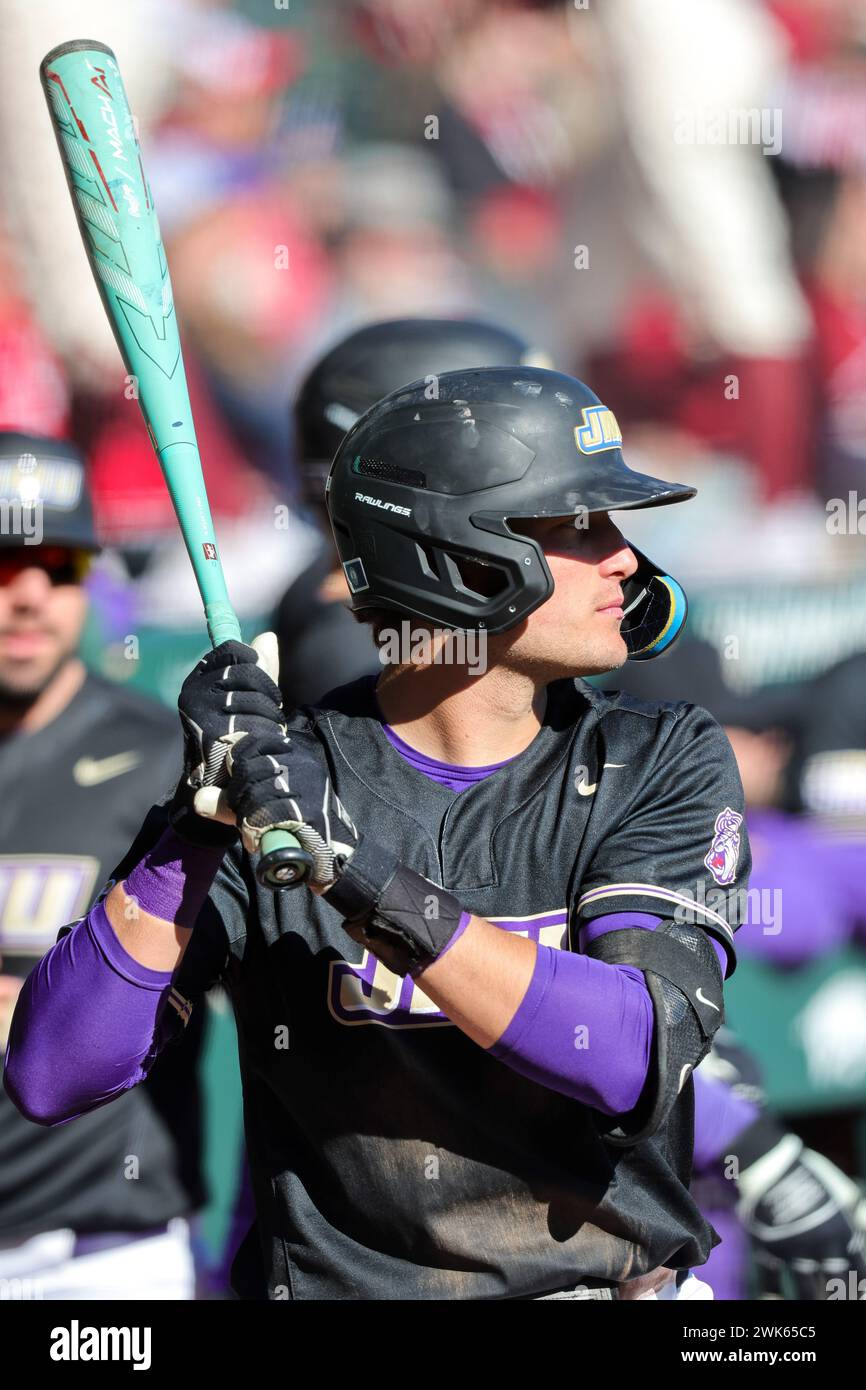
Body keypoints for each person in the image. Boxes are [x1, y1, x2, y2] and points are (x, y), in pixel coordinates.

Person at [7, 369, 750, 1300]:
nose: (625, 559)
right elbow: (53, 1073)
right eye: (578, 526)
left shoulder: (653, 757)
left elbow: (633, 1054)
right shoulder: (280, 782)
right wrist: (190, 830)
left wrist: (361, 876)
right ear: (463, 560)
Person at [0, 432, 201, 1300]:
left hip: (101, 1253)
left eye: (60, 565)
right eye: (5, 563)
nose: (30, 596)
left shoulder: (164, 761)